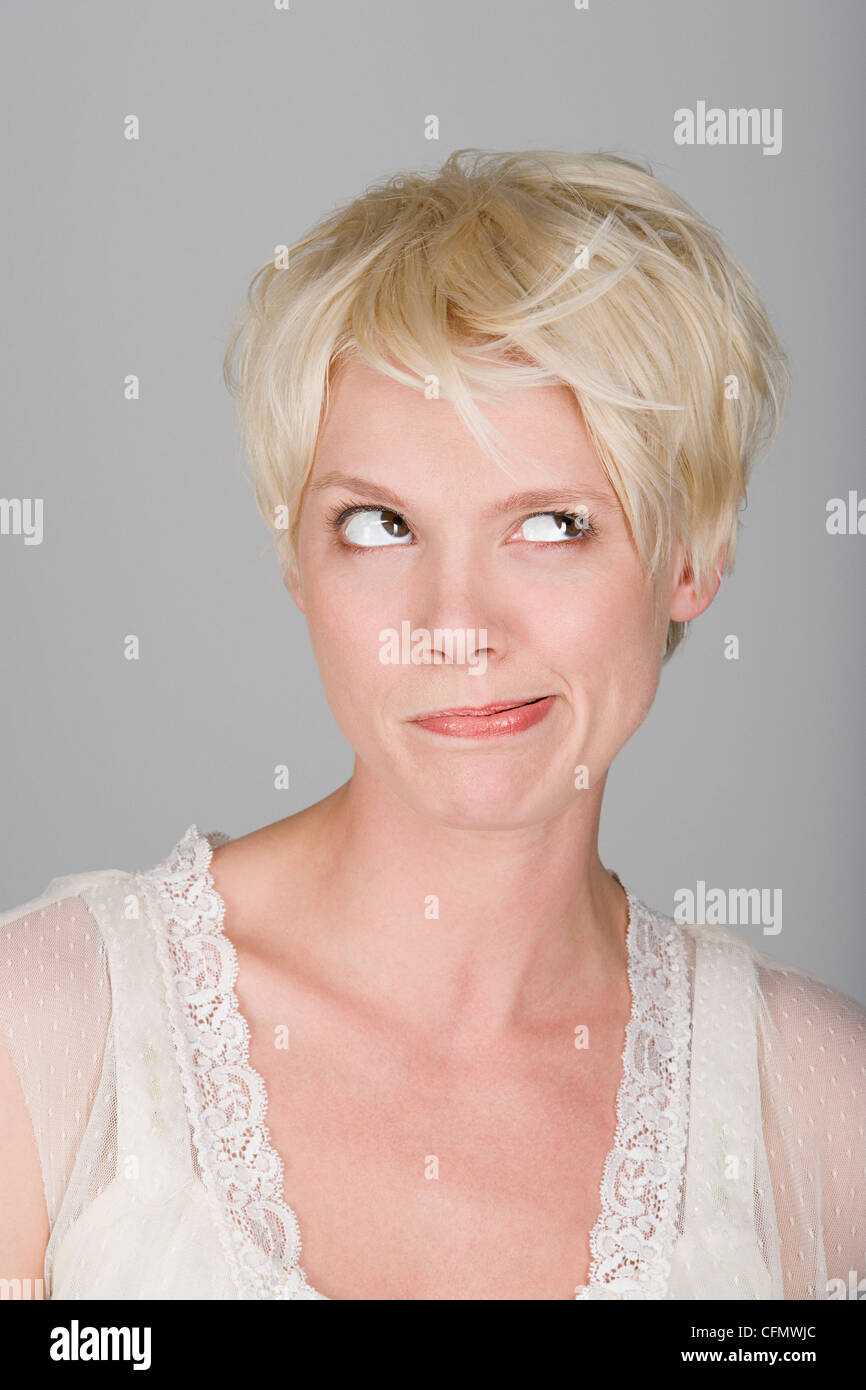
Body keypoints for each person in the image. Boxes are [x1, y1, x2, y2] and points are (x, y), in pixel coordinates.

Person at [1, 149, 863, 1301]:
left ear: (691, 555)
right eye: (379, 524)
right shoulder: (46, 1036)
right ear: (296, 561)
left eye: (552, 524)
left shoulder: (820, 1108)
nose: (454, 628)